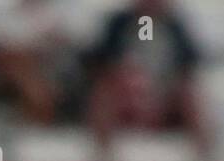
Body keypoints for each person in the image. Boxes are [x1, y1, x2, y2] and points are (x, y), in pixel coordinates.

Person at [85, 0, 207, 152]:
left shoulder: (175, 27)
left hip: (164, 99)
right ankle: (102, 157)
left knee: (190, 94)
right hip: (124, 96)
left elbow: (188, 67)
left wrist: (154, 92)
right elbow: (99, 62)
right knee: (104, 92)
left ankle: (205, 159)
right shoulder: (118, 24)